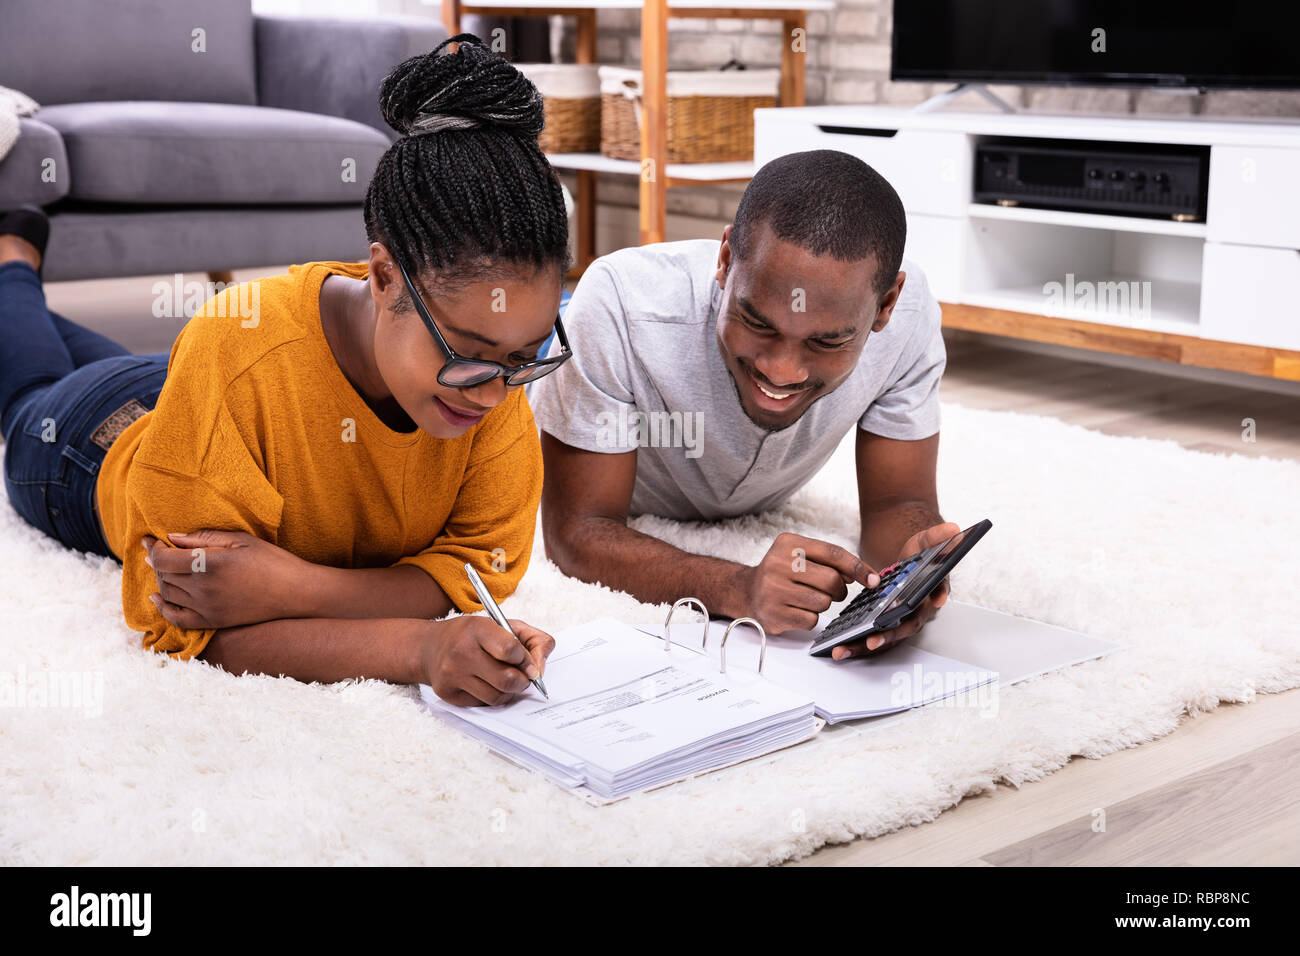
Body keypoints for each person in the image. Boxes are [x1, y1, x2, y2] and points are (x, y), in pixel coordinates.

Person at [0, 35, 569, 706]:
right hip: (93, 447)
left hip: (196, 402)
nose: (496, 393)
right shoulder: (235, 343)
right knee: (31, 394)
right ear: (384, 276)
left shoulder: (489, 375)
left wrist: (300, 588)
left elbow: (472, 574)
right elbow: (192, 624)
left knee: (114, 362)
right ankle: (14, 264)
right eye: (469, 353)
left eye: (524, 358)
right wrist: (416, 647)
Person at [531, 149, 959, 661]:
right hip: (553, 349)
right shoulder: (618, 304)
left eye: (825, 343)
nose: (782, 371)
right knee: (538, 333)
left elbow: (896, 504)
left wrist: (908, 575)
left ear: (886, 304)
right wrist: (737, 586)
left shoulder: (909, 318)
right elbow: (576, 533)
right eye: (758, 323)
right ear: (726, 259)